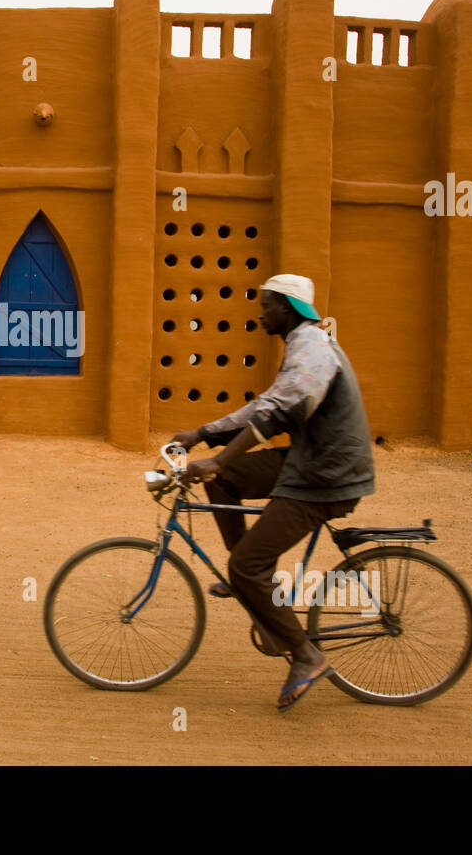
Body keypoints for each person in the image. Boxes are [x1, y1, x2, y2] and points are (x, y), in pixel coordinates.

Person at [171, 274, 374, 712]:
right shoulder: (301, 345)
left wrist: (218, 457)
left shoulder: (314, 348)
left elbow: (282, 411)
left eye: (266, 305)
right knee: (224, 482)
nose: (260, 312)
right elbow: (265, 404)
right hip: (306, 460)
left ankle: (307, 656)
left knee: (246, 563)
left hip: (325, 477)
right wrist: (203, 434)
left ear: (287, 307)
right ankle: (253, 589)